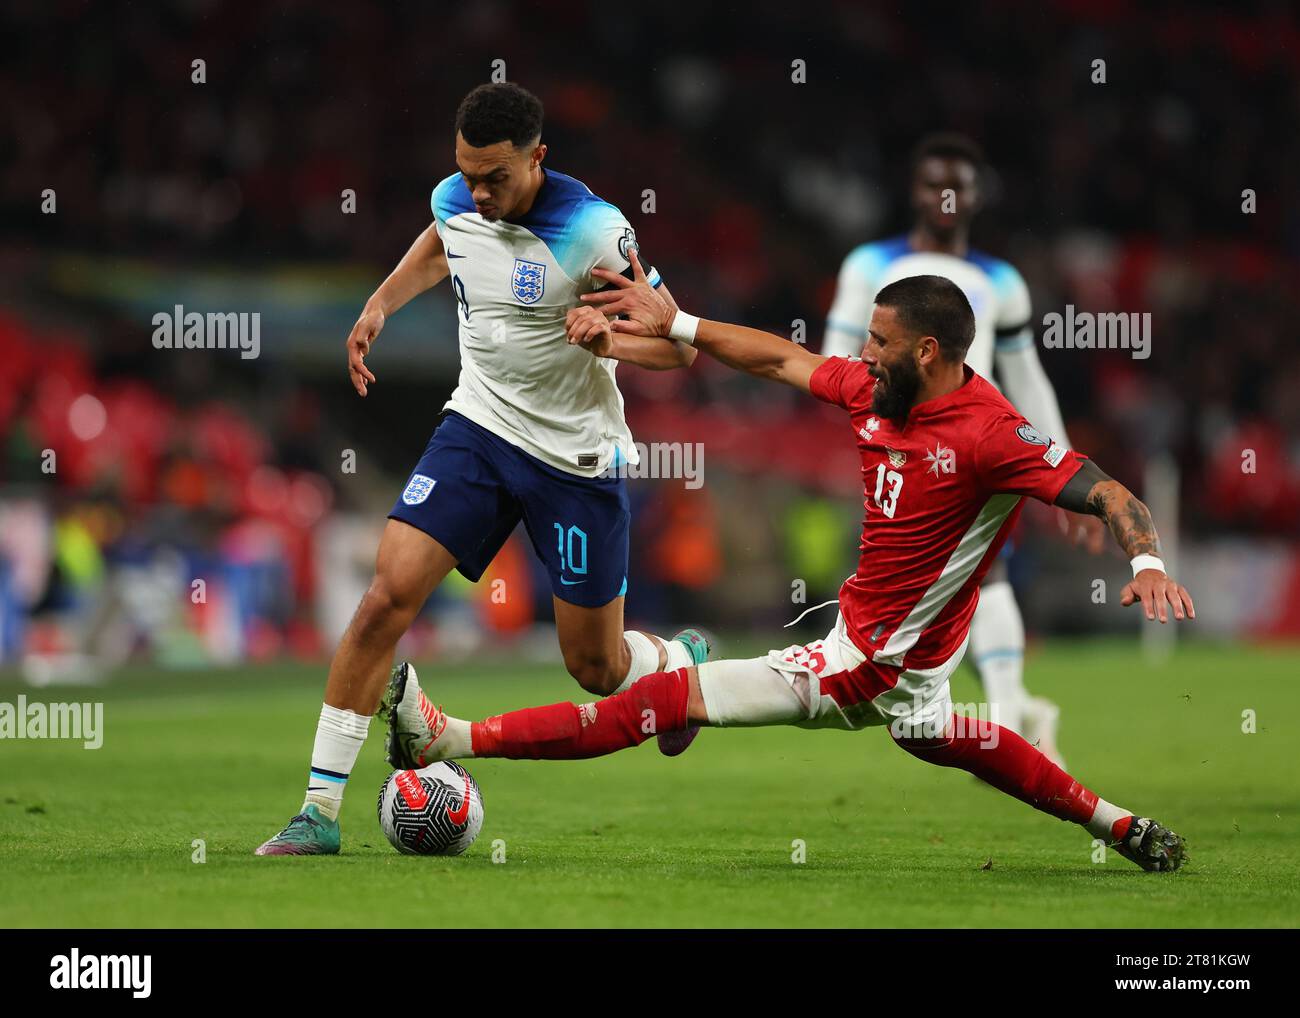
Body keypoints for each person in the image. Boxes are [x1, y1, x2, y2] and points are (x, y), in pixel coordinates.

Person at [392, 265, 1193, 872]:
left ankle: (447, 738)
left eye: (879, 342)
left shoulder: (989, 435)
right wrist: (681, 323)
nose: (863, 354)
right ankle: (1121, 826)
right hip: (902, 651)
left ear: (927, 350)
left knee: (662, 701)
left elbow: (1108, 492)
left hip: (870, 663)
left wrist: (1148, 560)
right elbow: (781, 360)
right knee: (942, 733)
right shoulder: (880, 395)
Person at [256, 83, 710, 857]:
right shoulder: (459, 196)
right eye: (467, 173)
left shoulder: (595, 230)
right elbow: (442, 238)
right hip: (479, 427)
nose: (478, 191)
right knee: (382, 600)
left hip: (574, 457)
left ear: (539, 158)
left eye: (495, 177)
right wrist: (380, 303)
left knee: (596, 667)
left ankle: (677, 658)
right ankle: (318, 813)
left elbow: (680, 347)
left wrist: (611, 341)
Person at [822, 133, 1105, 764]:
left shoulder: (1001, 279)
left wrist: (1063, 470)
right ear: (914, 192)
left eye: (960, 185)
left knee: (988, 570)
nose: (946, 197)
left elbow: (1028, 379)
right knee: (935, 595)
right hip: (900, 441)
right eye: (933, 184)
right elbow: (839, 352)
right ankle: (1018, 711)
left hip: (977, 444)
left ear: (978, 196)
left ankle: (1008, 719)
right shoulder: (870, 266)